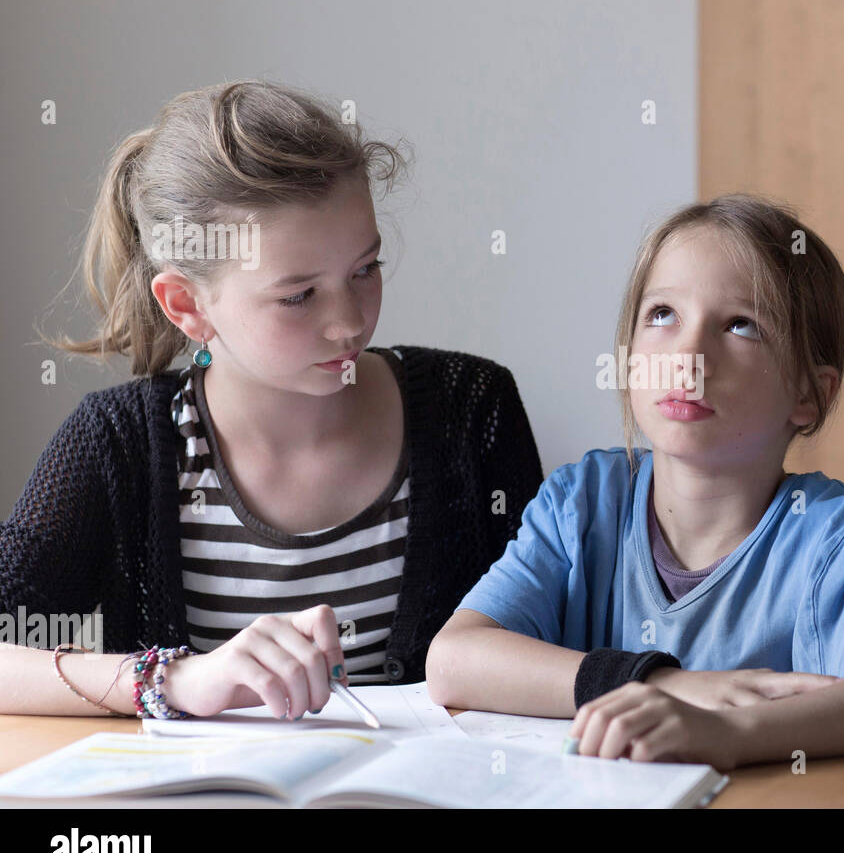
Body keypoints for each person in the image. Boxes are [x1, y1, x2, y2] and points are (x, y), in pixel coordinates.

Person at [0, 80, 543, 721]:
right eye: (298, 296)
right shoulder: (114, 444)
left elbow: (551, 634)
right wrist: (176, 680)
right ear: (187, 305)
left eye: (364, 269)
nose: (347, 322)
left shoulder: (471, 410)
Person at [427, 193, 844, 771]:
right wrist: (661, 683)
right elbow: (455, 660)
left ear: (809, 394)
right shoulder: (582, 502)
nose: (687, 357)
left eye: (740, 326)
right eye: (663, 315)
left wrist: (731, 732)